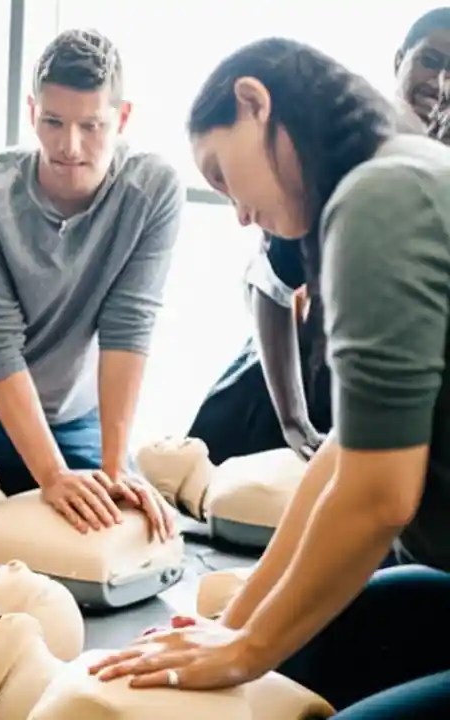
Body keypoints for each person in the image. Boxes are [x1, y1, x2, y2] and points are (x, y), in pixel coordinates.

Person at [89, 36, 450, 718]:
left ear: (254, 102)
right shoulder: (388, 182)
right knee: (306, 648)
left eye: (223, 174)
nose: (240, 213)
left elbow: (379, 499)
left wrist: (246, 650)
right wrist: (237, 626)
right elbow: (347, 455)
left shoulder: (383, 194)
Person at [0, 28, 182, 546]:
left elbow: (129, 327)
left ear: (122, 118)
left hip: (69, 413)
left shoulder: (152, 190)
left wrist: (113, 471)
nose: (69, 146)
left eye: (91, 126)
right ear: (32, 113)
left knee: (118, 533)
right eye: (53, 122)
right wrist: (51, 476)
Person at [185, 7, 450, 465]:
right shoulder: (341, 163)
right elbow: (270, 284)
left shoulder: (383, 188)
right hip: (311, 375)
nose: (441, 79)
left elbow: (379, 490)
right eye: (430, 60)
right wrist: (294, 419)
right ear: (399, 60)